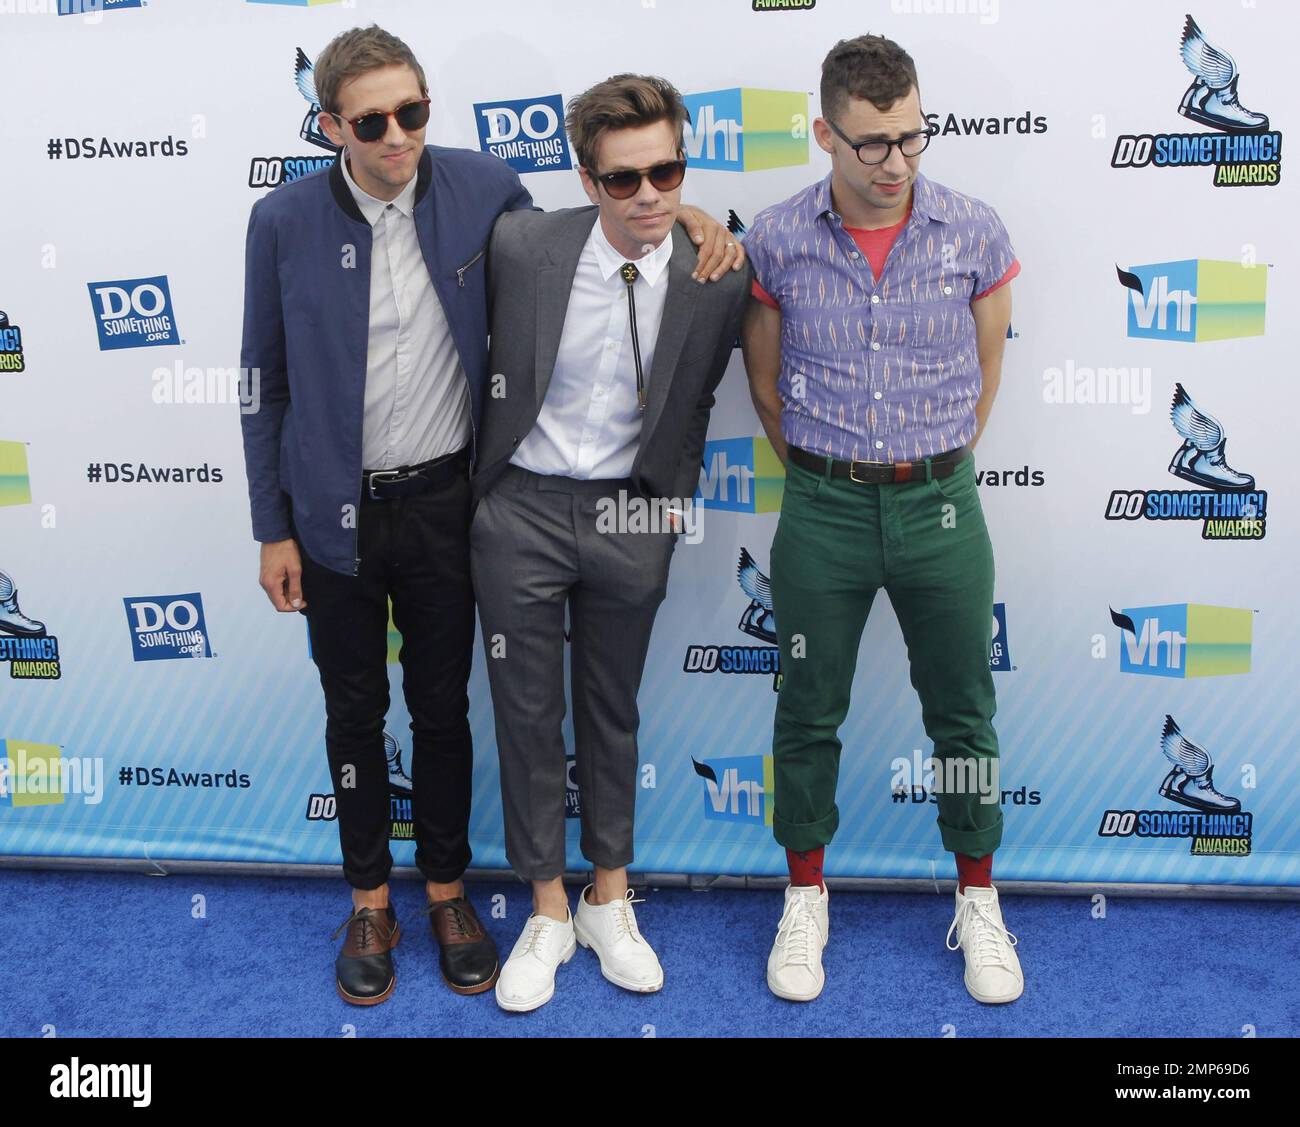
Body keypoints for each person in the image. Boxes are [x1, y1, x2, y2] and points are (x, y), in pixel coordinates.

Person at [238, 26, 744, 1006]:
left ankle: (451, 891)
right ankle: (372, 899)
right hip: (339, 513)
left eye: (413, 112)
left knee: (445, 708)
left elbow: (619, 220)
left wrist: (692, 225)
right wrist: (272, 526)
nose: (397, 137)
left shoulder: (484, 193)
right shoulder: (284, 221)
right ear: (332, 124)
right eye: (373, 121)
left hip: (447, 501)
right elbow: (264, 383)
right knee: (355, 714)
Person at [741, 33, 1023, 1005]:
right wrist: (829, 479)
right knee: (805, 710)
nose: (897, 162)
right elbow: (766, 388)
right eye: (871, 143)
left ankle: (977, 895)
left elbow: (987, 371)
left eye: (910, 136)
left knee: (962, 714)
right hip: (820, 507)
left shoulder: (972, 229)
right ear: (823, 132)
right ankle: (805, 893)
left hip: (940, 503)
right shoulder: (776, 238)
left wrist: (930, 464)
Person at [469, 74, 751, 1013]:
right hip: (522, 506)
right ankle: (546, 908)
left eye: (668, 172)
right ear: (587, 180)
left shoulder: (719, 273)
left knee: (613, 708)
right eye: (624, 180)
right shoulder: (522, 242)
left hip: (635, 512)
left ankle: (609, 897)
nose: (651, 197)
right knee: (525, 708)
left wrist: (669, 503)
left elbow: (701, 395)